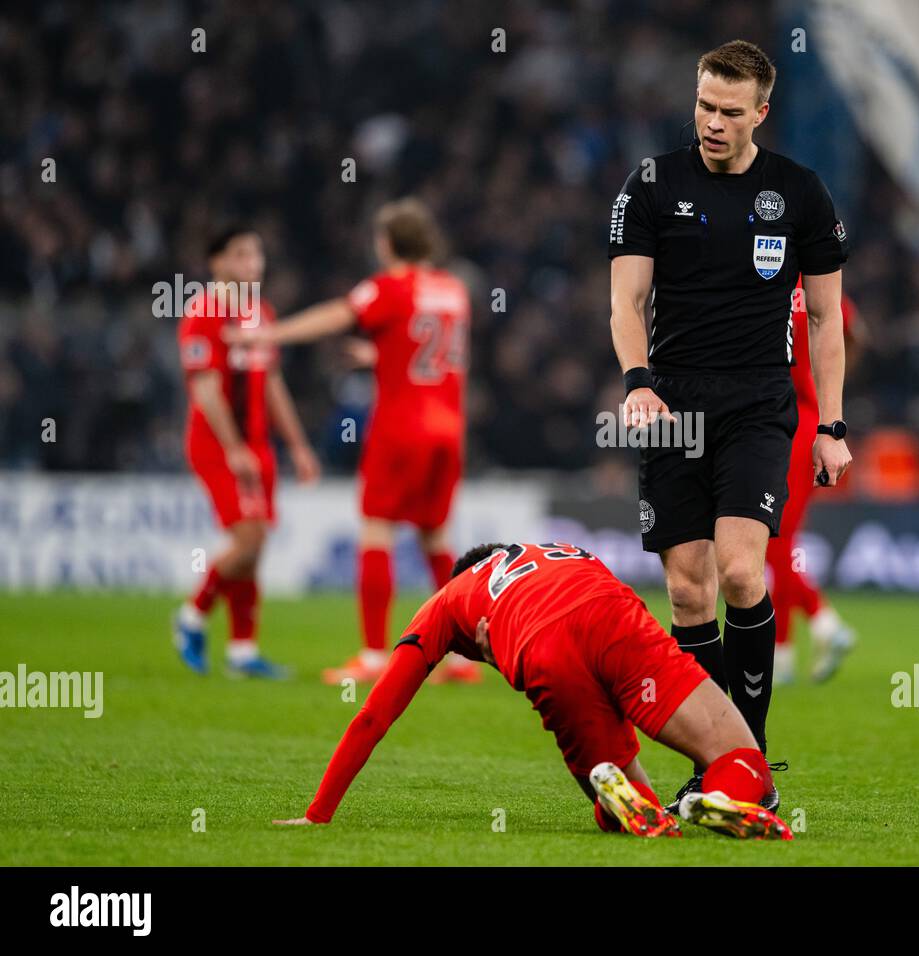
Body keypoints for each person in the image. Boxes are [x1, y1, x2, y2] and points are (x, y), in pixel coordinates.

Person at [608, 39, 851, 811]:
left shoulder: (801, 192)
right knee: (686, 592)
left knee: (743, 572)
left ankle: (748, 761)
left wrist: (833, 425)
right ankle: (713, 761)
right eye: (705, 105)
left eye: (730, 111)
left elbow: (826, 320)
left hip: (757, 402)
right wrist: (638, 383)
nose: (713, 122)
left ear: (761, 114)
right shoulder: (649, 185)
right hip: (673, 404)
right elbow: (625, 302)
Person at [273, 542, 793, 840]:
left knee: (632, 805)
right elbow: (594, 597)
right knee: (742, 755)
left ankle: (627, 801)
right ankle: (720, 797)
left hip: (541, 653)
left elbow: (374, 716)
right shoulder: (555, 549)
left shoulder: (445, 602)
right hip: (610, 614)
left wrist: (319, 812)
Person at [227, 199, 477, 686]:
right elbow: (429, 349)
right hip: (448, 428)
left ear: (387, 243)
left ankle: (373, 655)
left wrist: (268, 334)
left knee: (376, 530)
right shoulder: (454, 290)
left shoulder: (389, 286)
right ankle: (464, 658)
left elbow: (338, 314)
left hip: (402, 427)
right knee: (435, 537)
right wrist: (379, 353)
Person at [173, 225, 319, 679]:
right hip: (218, 444)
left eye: (256, 254)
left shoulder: (262, 313)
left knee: (255, 549)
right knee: (248, 539)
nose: (252, 263)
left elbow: (272, 384)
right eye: (240, 254)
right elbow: (206, 390)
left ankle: (241, 653)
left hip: (258, 445)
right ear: (217, 263)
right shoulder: (202, 312)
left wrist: (297, 445)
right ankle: (192, 615)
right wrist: (234, 449)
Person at [767, 278, 862, 685]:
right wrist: (833, 388)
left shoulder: (764, 277)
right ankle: (783, 654)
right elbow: (857, 333)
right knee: (780, 542)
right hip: (813, 420)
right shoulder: (821, 286)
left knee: (774, 539)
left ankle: (824, 622)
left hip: (783, 421)